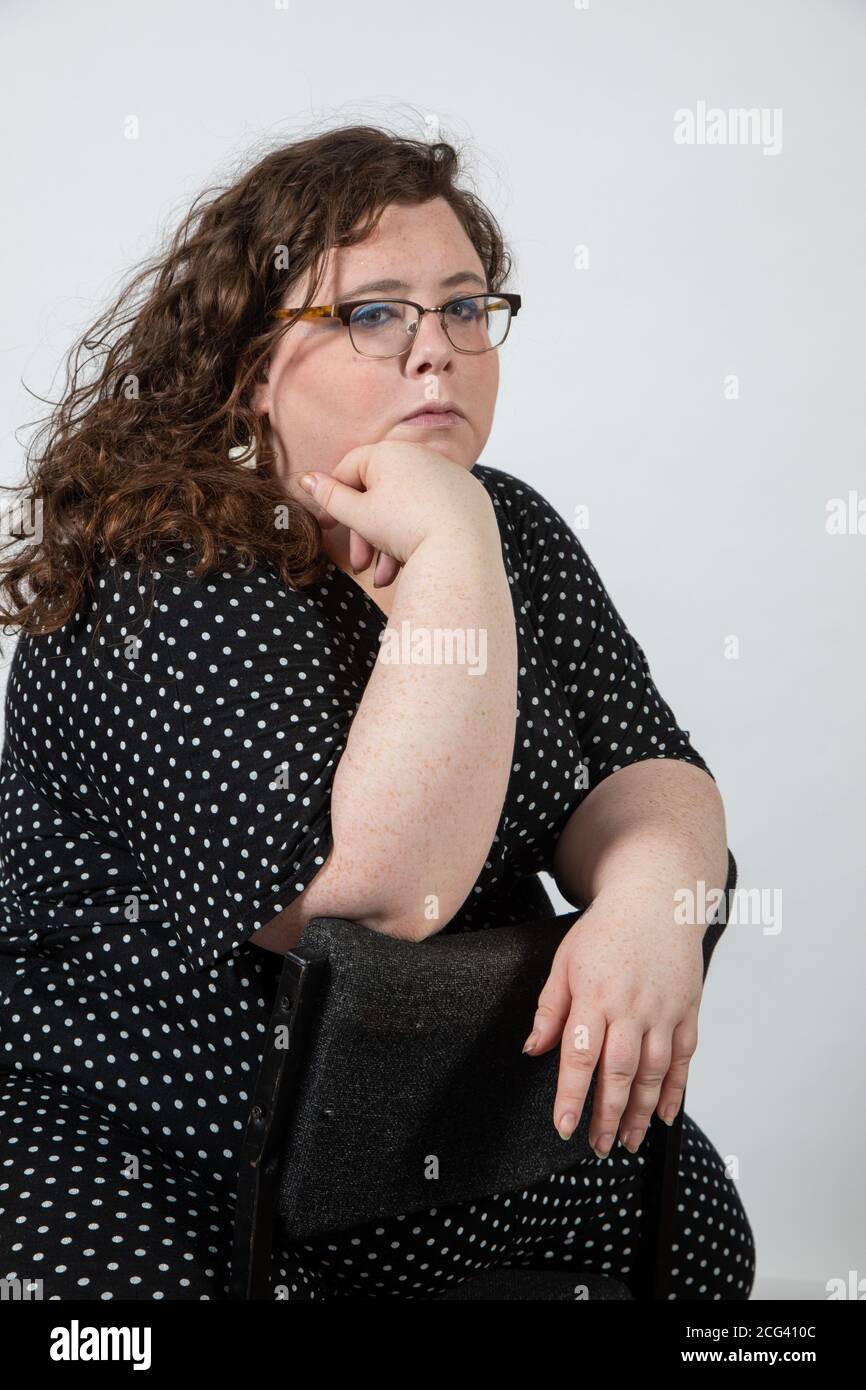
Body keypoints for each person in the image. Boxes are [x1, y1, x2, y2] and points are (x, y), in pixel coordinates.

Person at [0, 123, 755, 1300]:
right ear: (249, 364)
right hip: (174, 1153)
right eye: (371, 313)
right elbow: (375, 902)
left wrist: (656, 903)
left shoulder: (513, 522)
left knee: (702, 1241)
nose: (437, 355)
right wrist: (452, 558)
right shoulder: (155, 566)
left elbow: (648, 767)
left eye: (463, 307)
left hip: (450, 1132)